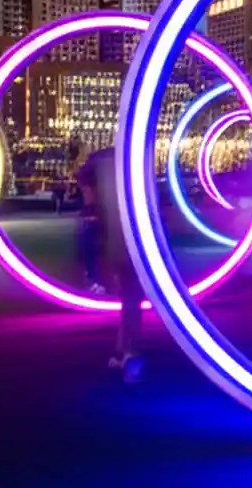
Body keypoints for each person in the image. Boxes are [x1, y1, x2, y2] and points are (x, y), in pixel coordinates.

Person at [80, 147, 144, 384]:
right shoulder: (124, 161)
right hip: (130, 242)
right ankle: (125, 352)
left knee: (130, 298)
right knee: (130, 298)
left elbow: (92, 214)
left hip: (124, 244)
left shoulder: (104, 166)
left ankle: (130, 355)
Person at [72, 150, 106, 295]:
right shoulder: (93, 179)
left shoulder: (88, 179)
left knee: (91, 252)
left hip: (92, 217)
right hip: (93, 216)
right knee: (93, 252)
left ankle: (94, 280)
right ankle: (95, 280)